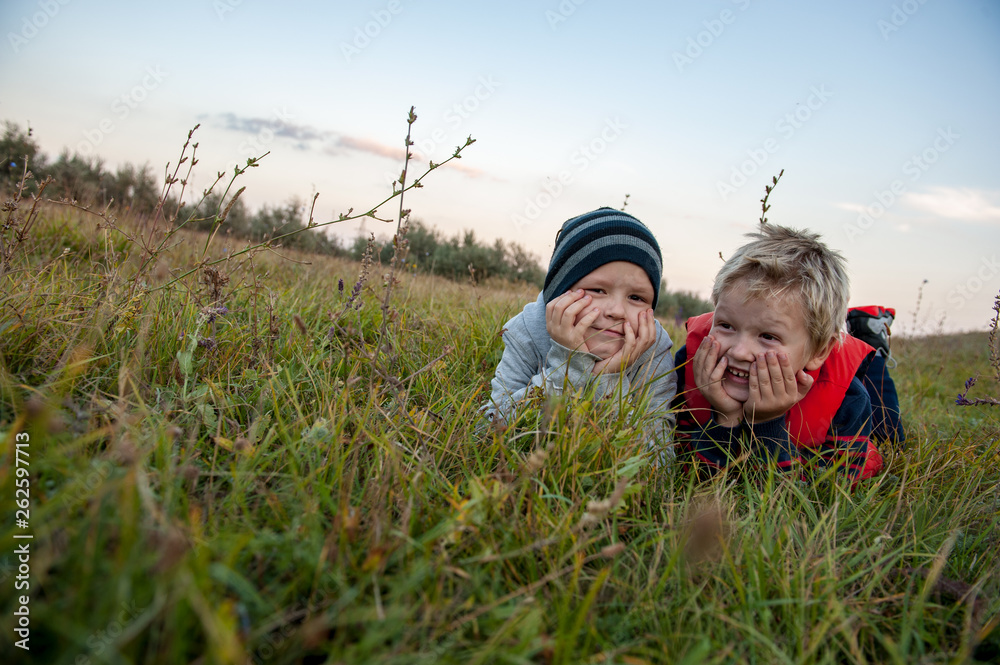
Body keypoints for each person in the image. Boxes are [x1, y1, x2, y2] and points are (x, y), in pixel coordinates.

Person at [672, 224, 903, 485]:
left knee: (889, 435)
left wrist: (766, 423)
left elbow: (815, 498)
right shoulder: (689, 363)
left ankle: (869, 338)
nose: (739, 351)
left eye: (768, 336)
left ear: (818, 352)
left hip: (841, 372)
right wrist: (725, 417)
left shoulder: (848, 398)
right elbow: (694, 479)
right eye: (726, 325)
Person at [483, 207, 677, 448]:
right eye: (598, 290)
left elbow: (659, 463)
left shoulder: (652, 348)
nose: (616, 310)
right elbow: (490, 432)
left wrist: (609, 378)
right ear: (559, 292)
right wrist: (568, 367)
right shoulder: (528, 330)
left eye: (636, 298)